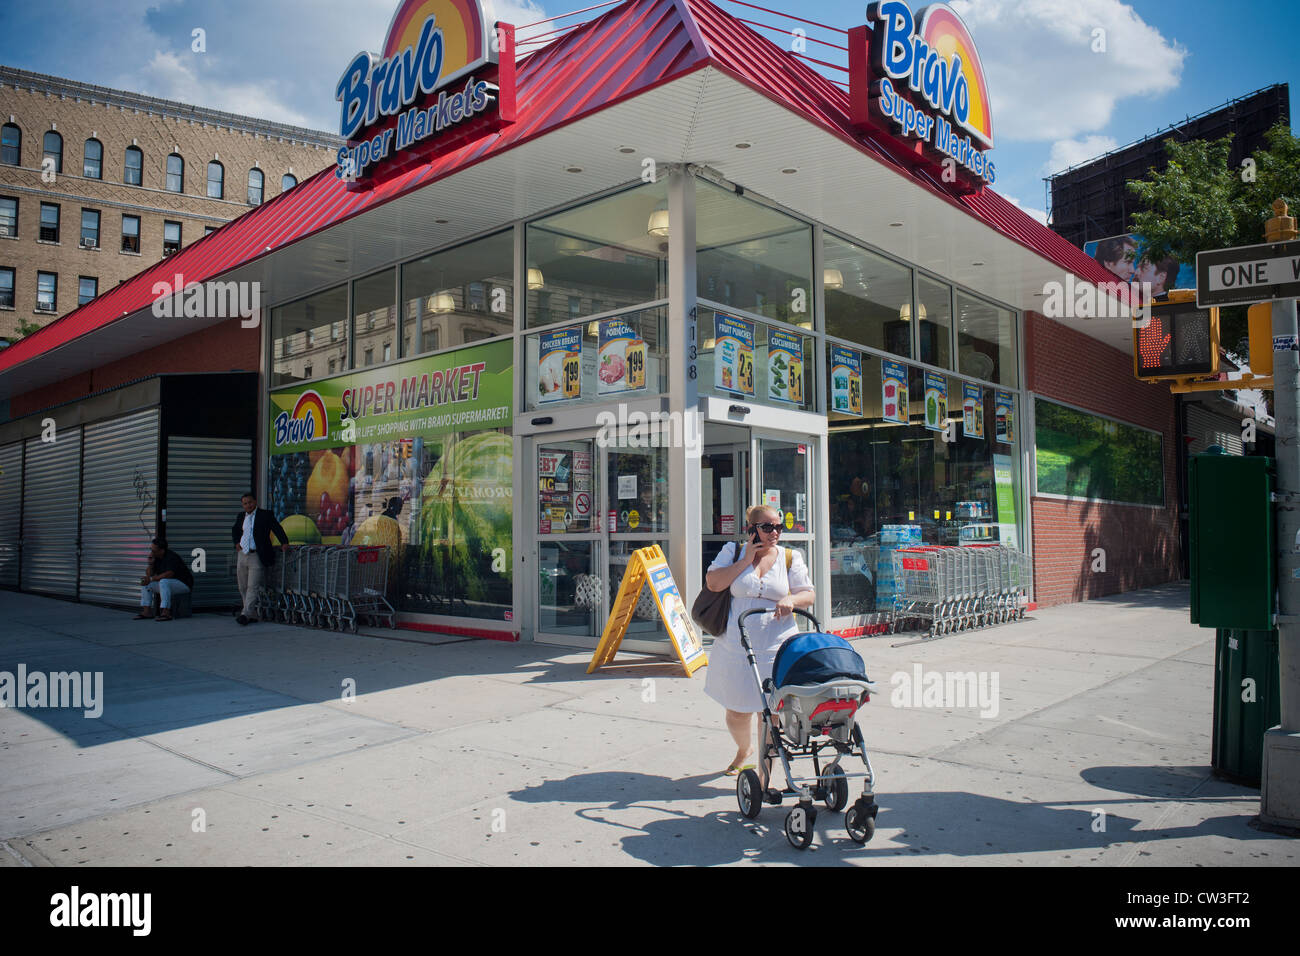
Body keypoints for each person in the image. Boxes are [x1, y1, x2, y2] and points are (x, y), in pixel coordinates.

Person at [703, 503, 815, 781]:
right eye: (767, 527)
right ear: (751, 529)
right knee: (736, 713)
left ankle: (765, 777)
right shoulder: (733, 551)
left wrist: (791, 599)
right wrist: (744, 561)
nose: (774, 532)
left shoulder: (790, 557)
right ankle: (744, 750)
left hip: (777, 645)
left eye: (778, 527)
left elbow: (808, 594)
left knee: (771, 715)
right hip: (736, 645)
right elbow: (713, 583)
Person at [231, 491, 289, 626]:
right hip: (243, 555)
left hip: (257, 555)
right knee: (243, 586)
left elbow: (277, 528)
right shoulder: (241, 517)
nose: (248, 505)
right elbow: (235, 530)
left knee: (253, 586)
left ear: (255, 502)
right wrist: (236, 543)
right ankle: (251, 613)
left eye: (250, 502)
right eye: (245, 504)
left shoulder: (265, 515)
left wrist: (284, 542)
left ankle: (245, 614)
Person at [135, 537, 194, 622]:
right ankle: (147, 611)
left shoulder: (172, 557)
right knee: (146, 584)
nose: (152, 552)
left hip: (184, 584)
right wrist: (150, 563)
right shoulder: (156, 557)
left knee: (163, 581)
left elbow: (169, 574)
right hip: (168, 585)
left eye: (154, 550)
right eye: (151, 549)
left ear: (162, 550)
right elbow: (149, 574)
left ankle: (166, 612)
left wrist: (151, 578)